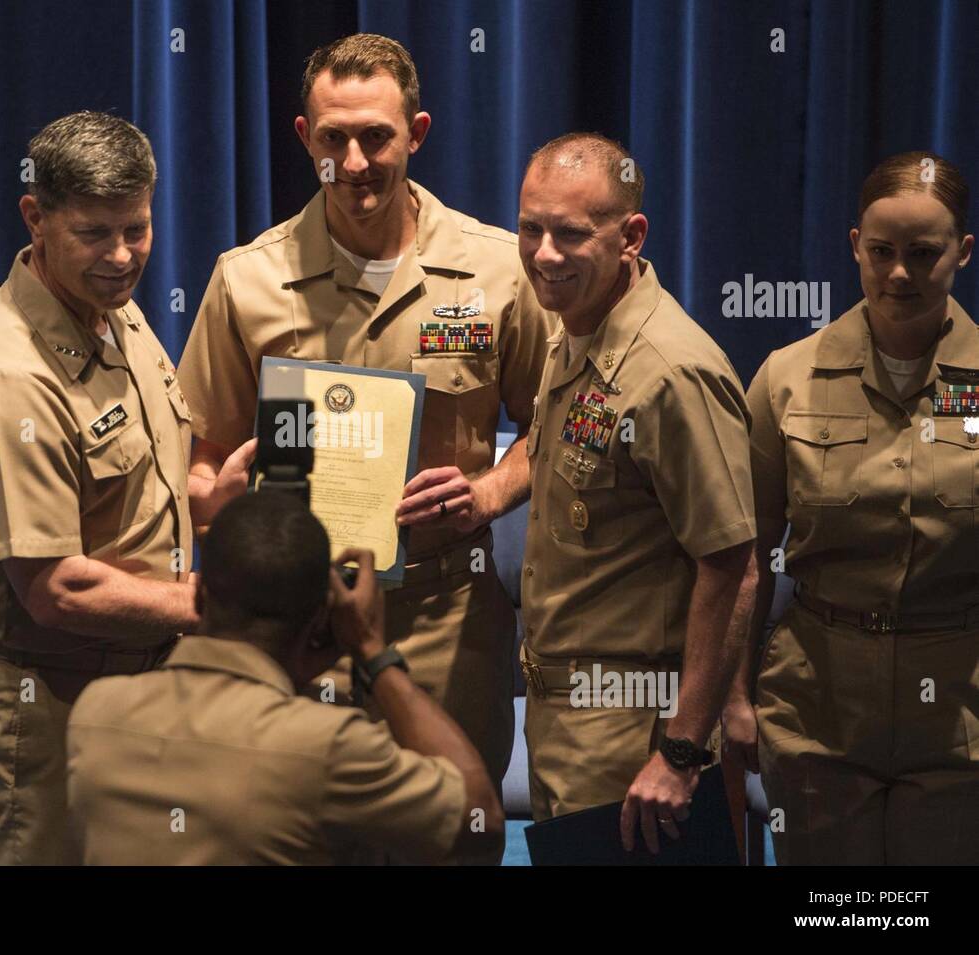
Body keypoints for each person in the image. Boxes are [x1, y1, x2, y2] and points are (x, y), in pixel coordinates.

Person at [178, 34, 554, 817]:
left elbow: (552, 431)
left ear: (416, 133)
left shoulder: (497, 270)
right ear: (302, 137)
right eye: (332, 139)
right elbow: (200, 461)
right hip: (293, 627)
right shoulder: (246, 278)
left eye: (376, 137)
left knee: (454, 828)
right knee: (301, 838)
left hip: (449, 617)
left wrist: (487, 495)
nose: (353, 163)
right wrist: (222, 497)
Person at [0, 111, 250, 865]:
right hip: (47, 712)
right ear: (35, 218)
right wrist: (224, 602)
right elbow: (55, 588)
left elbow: (128, 495)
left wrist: (210, 501)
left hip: (141, 686)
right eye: (95, 233)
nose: (122, 255)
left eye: (136, 228)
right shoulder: (10, 375)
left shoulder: (113, 310)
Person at [731, 151, 979, 864]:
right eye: (881, 251)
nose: (899, 272)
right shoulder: (787, 377)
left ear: (962, 252)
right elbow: (744, 555)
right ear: (854, 247)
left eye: (923, 253)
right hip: (818, 707)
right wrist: (732, 698)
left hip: (958, 714)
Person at [515, 133, 756, 854]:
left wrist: (682, 749)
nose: (544, 254)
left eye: (570, 234)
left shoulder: (671, 370)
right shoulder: (576, 332)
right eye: (530, 228)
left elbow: (732, 564)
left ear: (631, 236)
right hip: (572, 730)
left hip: (639, 742)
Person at [67, 491, 504, 865]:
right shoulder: (326, 747)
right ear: (321, 619)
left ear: (199, 595)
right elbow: (478, 816)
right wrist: (372, 651)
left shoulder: (97, 710)